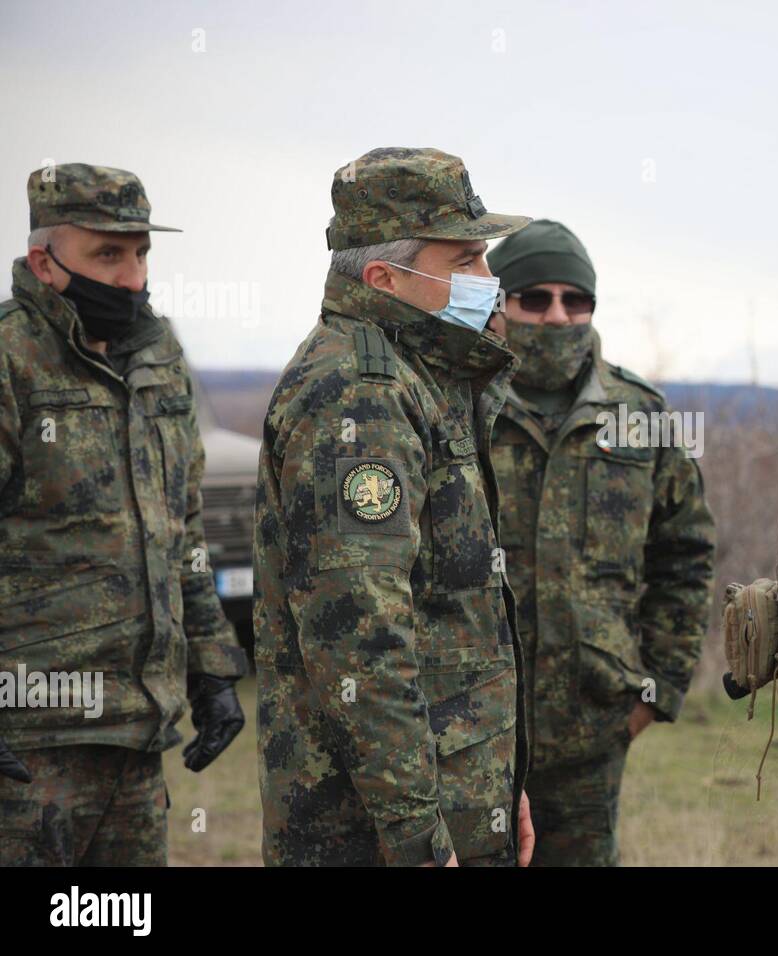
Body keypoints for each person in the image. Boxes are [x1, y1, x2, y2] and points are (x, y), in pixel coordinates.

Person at [256, 147, 533, 867]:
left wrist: (500, 784)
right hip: (376, 828)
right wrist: (416, 836)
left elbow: (454, 623)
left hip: (456, 795)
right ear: (384, 277)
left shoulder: (423, 376)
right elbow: (363, 641)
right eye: (465, 261)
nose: (490, 282)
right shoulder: (360, 392)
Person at [0, 164, 247, 866]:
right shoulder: (11, 358)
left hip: (138, 731)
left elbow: (183, 529)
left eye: (140, 253)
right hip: (30, 738)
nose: (133, 276)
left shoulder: (157, 358)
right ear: (43, 263)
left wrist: (212, 668)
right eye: (107, 254)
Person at [487, 220, 715, 865]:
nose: (558, 316)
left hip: (590, 725)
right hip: (465, 723)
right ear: (497, 304)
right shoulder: (455, 403)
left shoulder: (636, 414)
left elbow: (685, 554)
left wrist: (656, 689)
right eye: (534, 299)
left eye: (575, 300)